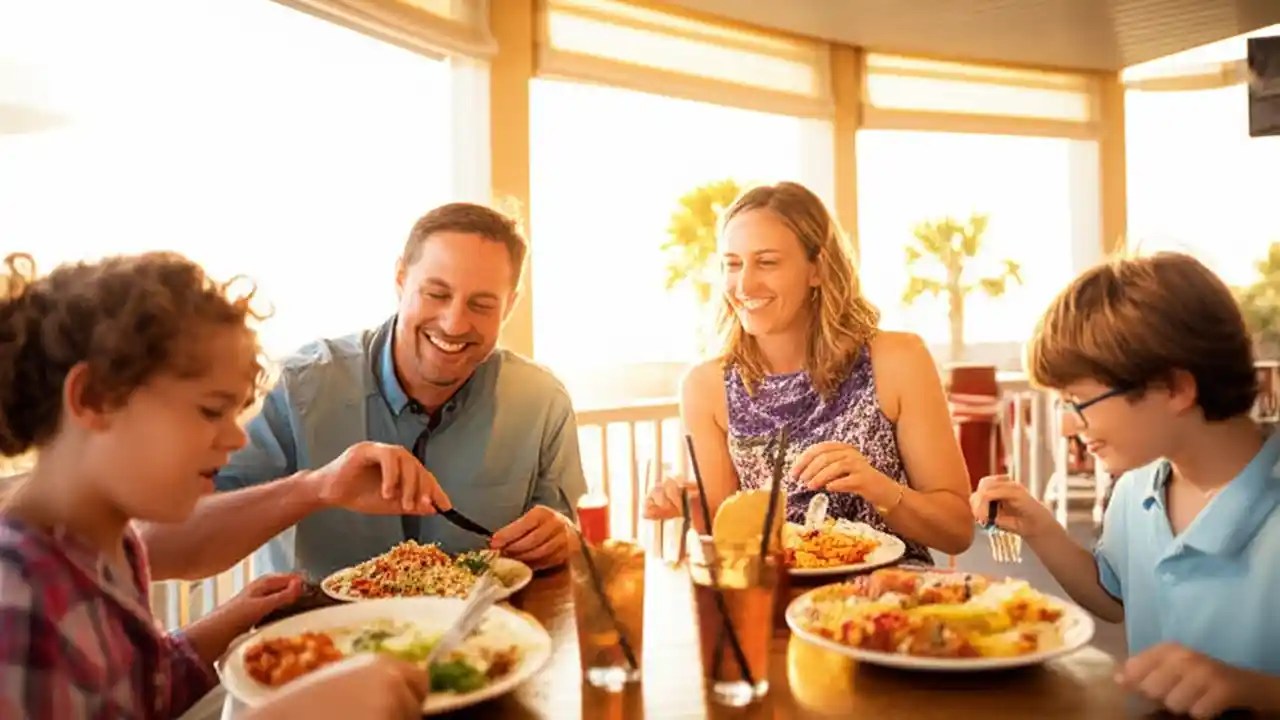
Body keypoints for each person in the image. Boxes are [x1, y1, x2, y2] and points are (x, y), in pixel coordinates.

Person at [0, 252, 429, 719]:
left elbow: (141, 689)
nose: (238, 437)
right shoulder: (17, 597)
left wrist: (228, 621)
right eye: (210, 410)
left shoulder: (112, 545)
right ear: (92, 398)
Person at [139, 203, 588, 583]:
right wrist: (316, 489)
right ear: (399, 278)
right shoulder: (295, 388)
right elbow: (153, 548)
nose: (454, 323)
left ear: (509, 305)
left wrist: (564, 537)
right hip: (319, 652)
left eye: (482, 304)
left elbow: (568, 543)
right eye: (436, 293)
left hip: (493, 649)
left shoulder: (543, 403)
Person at [971, 252, 1280, 718]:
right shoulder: (1136, 490)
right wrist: (1040, 528)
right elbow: (1112, 596)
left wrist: (1254, 691)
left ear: (1174, 388)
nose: (1069, 427)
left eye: (1079, 402)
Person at [643, 182, 973, 563]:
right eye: (733, 264)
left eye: (767, 262)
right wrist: (686, 505)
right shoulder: (705, 387)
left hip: (891, 602)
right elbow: (729, 537)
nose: (744, 284)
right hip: (773, 603)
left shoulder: (899, 360)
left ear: (816, 268)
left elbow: (957, 531)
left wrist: (879, 488)